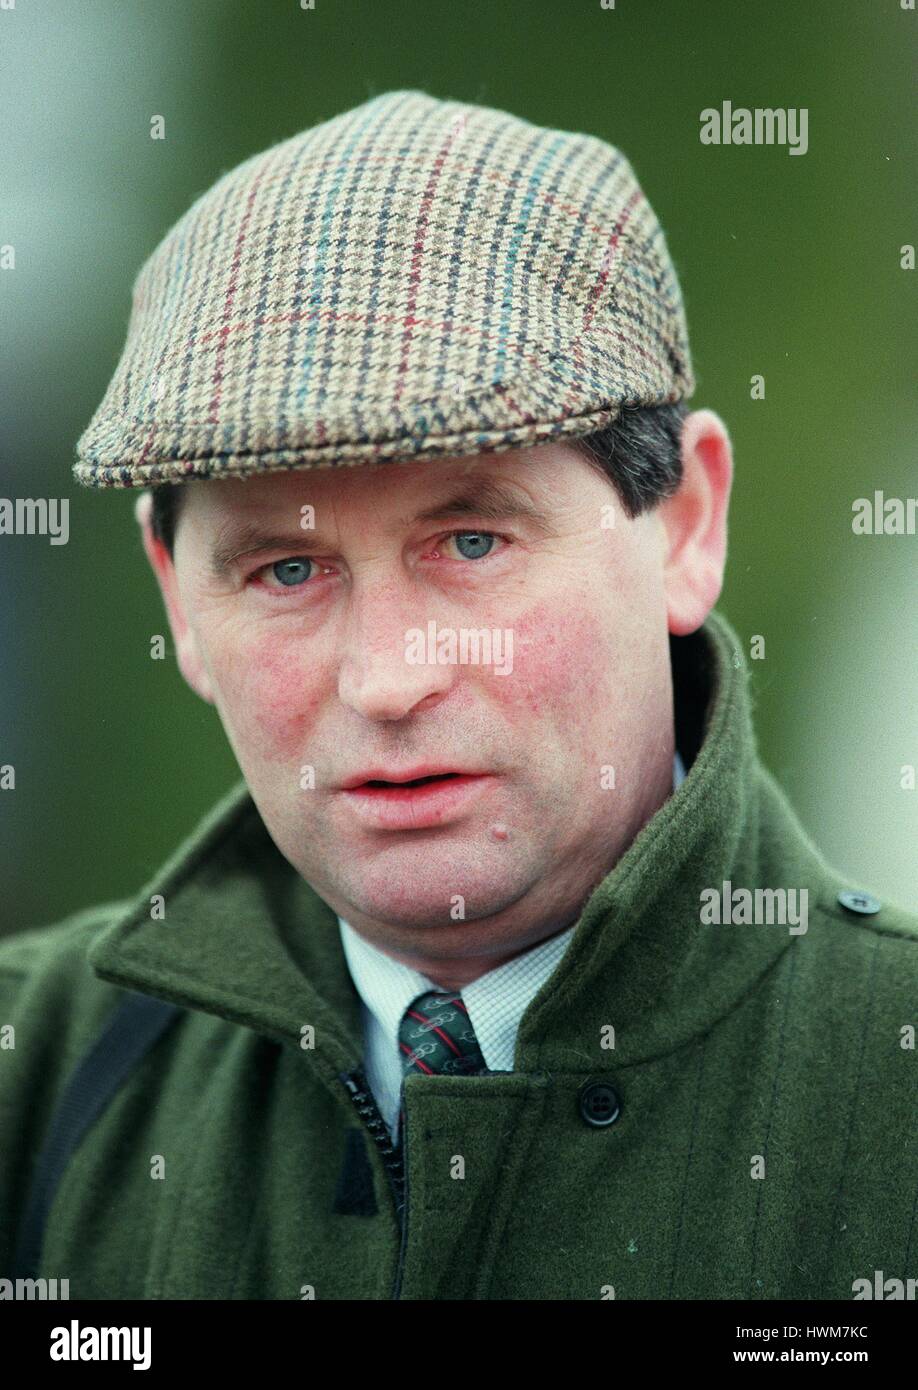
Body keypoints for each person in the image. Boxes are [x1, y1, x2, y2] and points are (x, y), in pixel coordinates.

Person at [1, 90, 914, 1302]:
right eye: (287, 569)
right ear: (179, 601)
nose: (387, 678)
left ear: (687, 526)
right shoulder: (35, 1084)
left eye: (473, 542)